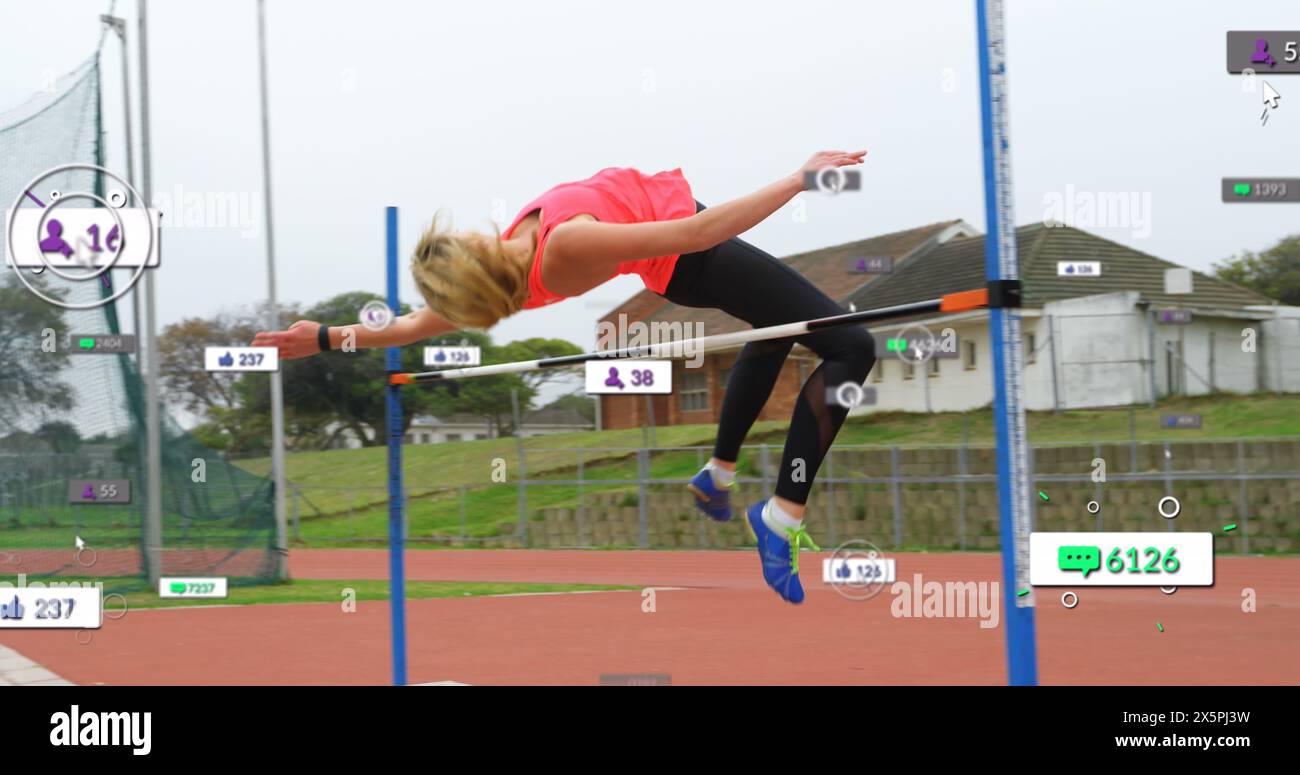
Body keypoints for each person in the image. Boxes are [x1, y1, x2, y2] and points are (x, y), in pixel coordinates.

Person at [253, 151, 874, 604]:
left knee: (774, 331)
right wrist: (800, 179)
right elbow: (695, 233)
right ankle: (782, 516)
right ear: (475, 257)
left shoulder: (510, 251)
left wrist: (326, 337)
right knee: (853, 345)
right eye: (462, 238)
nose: (470, 229)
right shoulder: (562, 247)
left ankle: (718, 473)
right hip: (697, 254)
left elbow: (408, 327)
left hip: (690, 242)